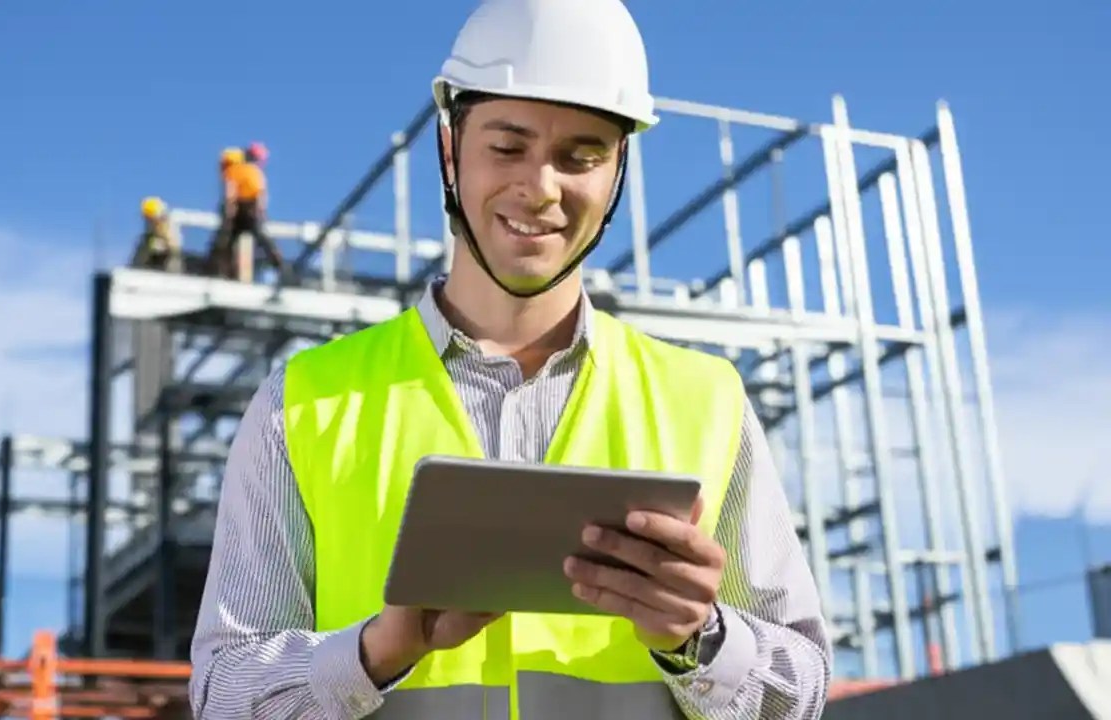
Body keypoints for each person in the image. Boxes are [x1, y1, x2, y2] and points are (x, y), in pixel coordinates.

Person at [189, 0, 831, 717]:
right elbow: (224, 695)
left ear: (618, 170)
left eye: (581, 155)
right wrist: (373, 654)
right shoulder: (303, 404)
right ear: (448, 146)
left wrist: (699, 640)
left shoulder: (707, 401)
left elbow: (799, 694)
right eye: (507, 146)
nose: (542, 187)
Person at [211, 144, 286, 282]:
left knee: (225, 242)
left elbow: (230, 193)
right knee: (262, 239)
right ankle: (280, 266)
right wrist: (261, 213)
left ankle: (219, 271)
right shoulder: (255, 172)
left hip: (240, 210)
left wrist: (229, 212)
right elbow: (261, 195)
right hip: (252, 210)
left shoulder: (233, 170)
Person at [131, 195, 183, 273]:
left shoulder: (172, 230)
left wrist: (163, 244)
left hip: (169, 274)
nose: (150, 223)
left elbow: (174, 248)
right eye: (148, 219)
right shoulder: (147, 238)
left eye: (151, 219)